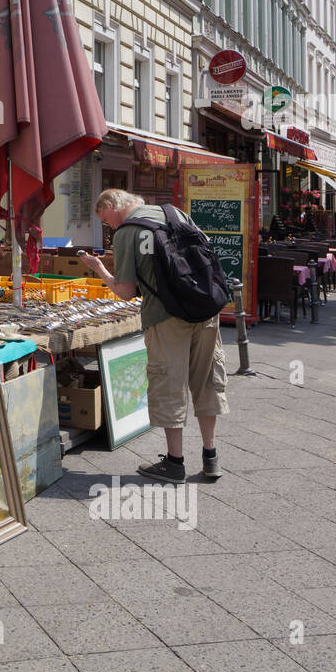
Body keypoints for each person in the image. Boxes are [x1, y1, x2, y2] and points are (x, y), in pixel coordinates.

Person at [79, 190, 229, 484]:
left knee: (169, 383)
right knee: (208, 380)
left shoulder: (127, 232)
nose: (109, 227)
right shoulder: (175, 213)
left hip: (165, 317)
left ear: (111, 205)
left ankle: (175, 463)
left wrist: (100, 269)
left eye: (106, 220)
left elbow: (125, 291)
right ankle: (211, 457)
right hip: (205, 308)